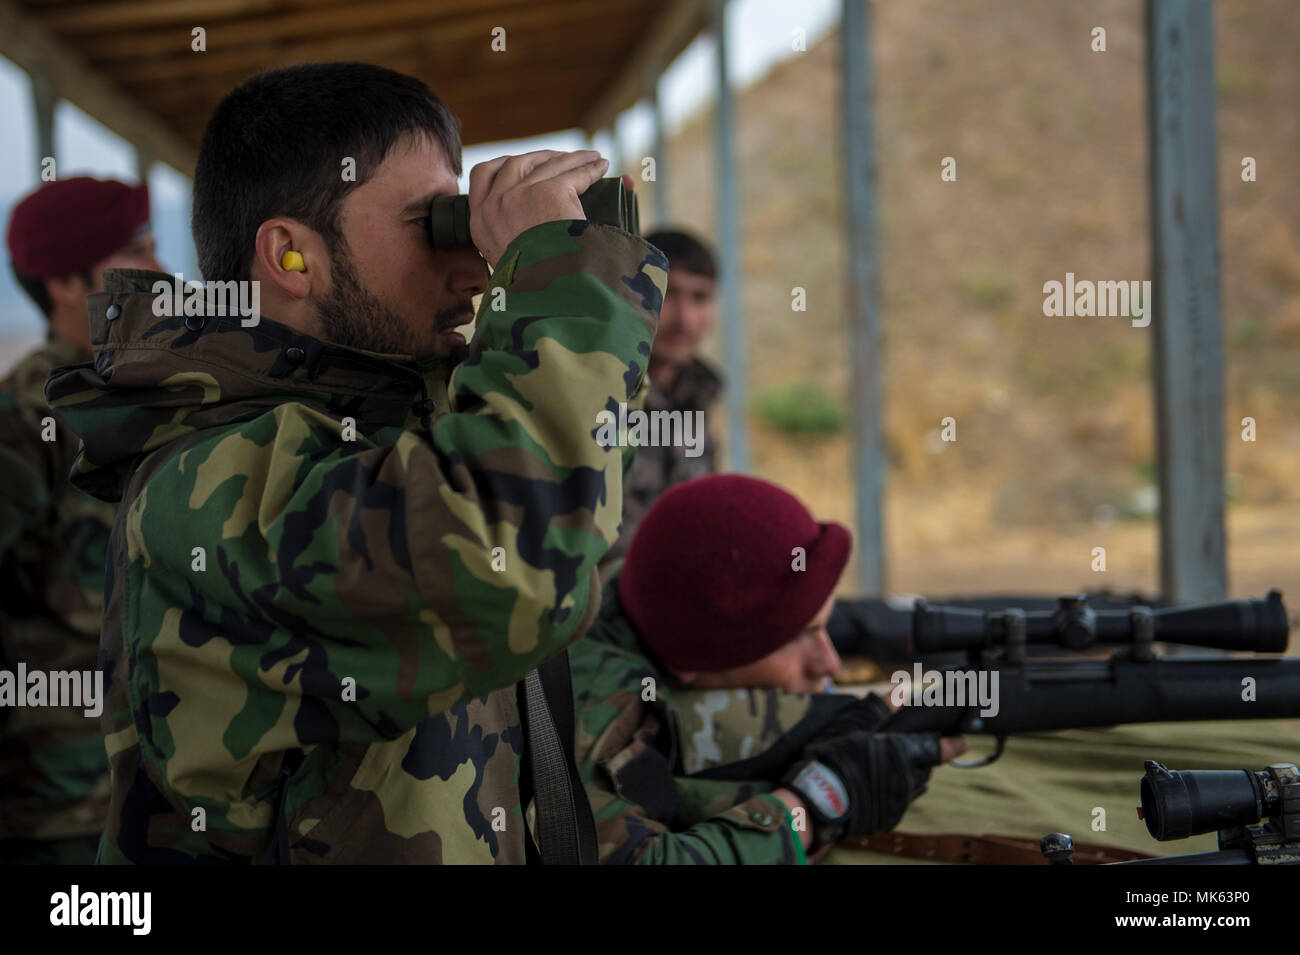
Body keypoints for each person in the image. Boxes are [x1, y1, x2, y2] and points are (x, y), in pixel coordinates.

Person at [45, 62, 665, 864]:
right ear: (291, 257)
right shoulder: (210, 481)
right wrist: (562, 285)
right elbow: (511, 565)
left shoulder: (399, 440)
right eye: (430, 225)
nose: (476, 271)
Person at [572, 473, 966, 864]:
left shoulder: (644, 599)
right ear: (693, 660)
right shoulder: (597, 695)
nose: (829, 664)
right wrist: (815, 805)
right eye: (798, 637)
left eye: (825, 627)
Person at [0, 177, 163, 864]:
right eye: (137, 251)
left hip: (161, 788)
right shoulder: (26, 419)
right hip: (62, 806)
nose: (160, 270)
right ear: (65, 283)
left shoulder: (150, 394)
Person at [602, 229, 722, 570]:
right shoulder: (601, 391)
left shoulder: (699, 394)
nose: (684, 319)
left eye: (699, 298)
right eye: (668, 295)